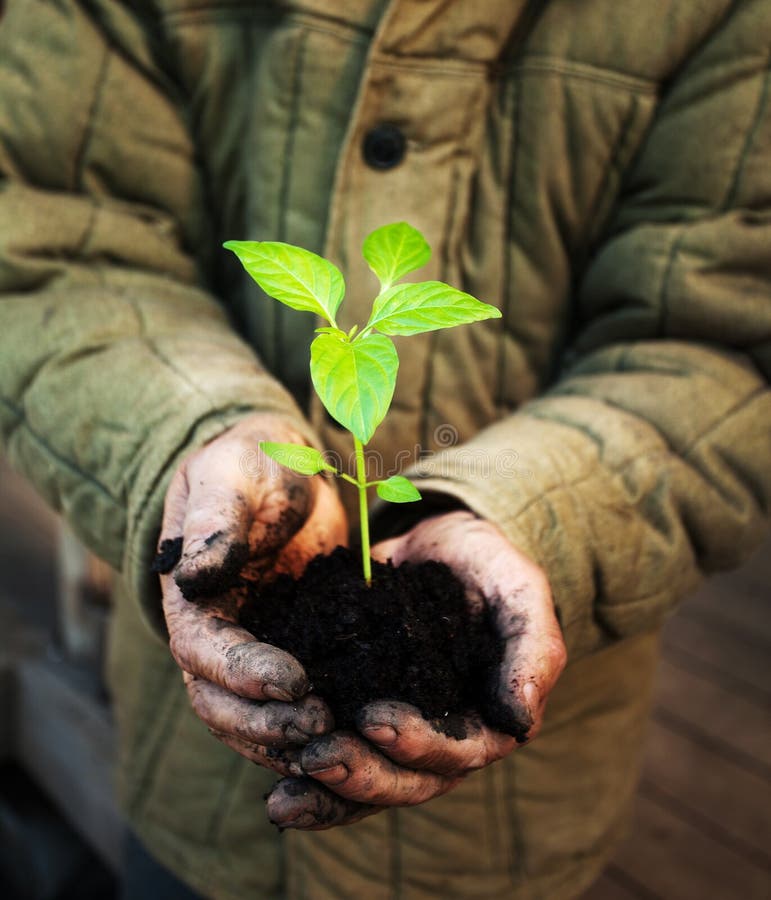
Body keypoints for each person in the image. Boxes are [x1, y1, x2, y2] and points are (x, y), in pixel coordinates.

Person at [1, 0, 769, 897]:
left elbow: (723, 344)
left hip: (503, 836)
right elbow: (56, 246)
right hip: (195, 796)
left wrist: (512, 513)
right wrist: (200, 432)